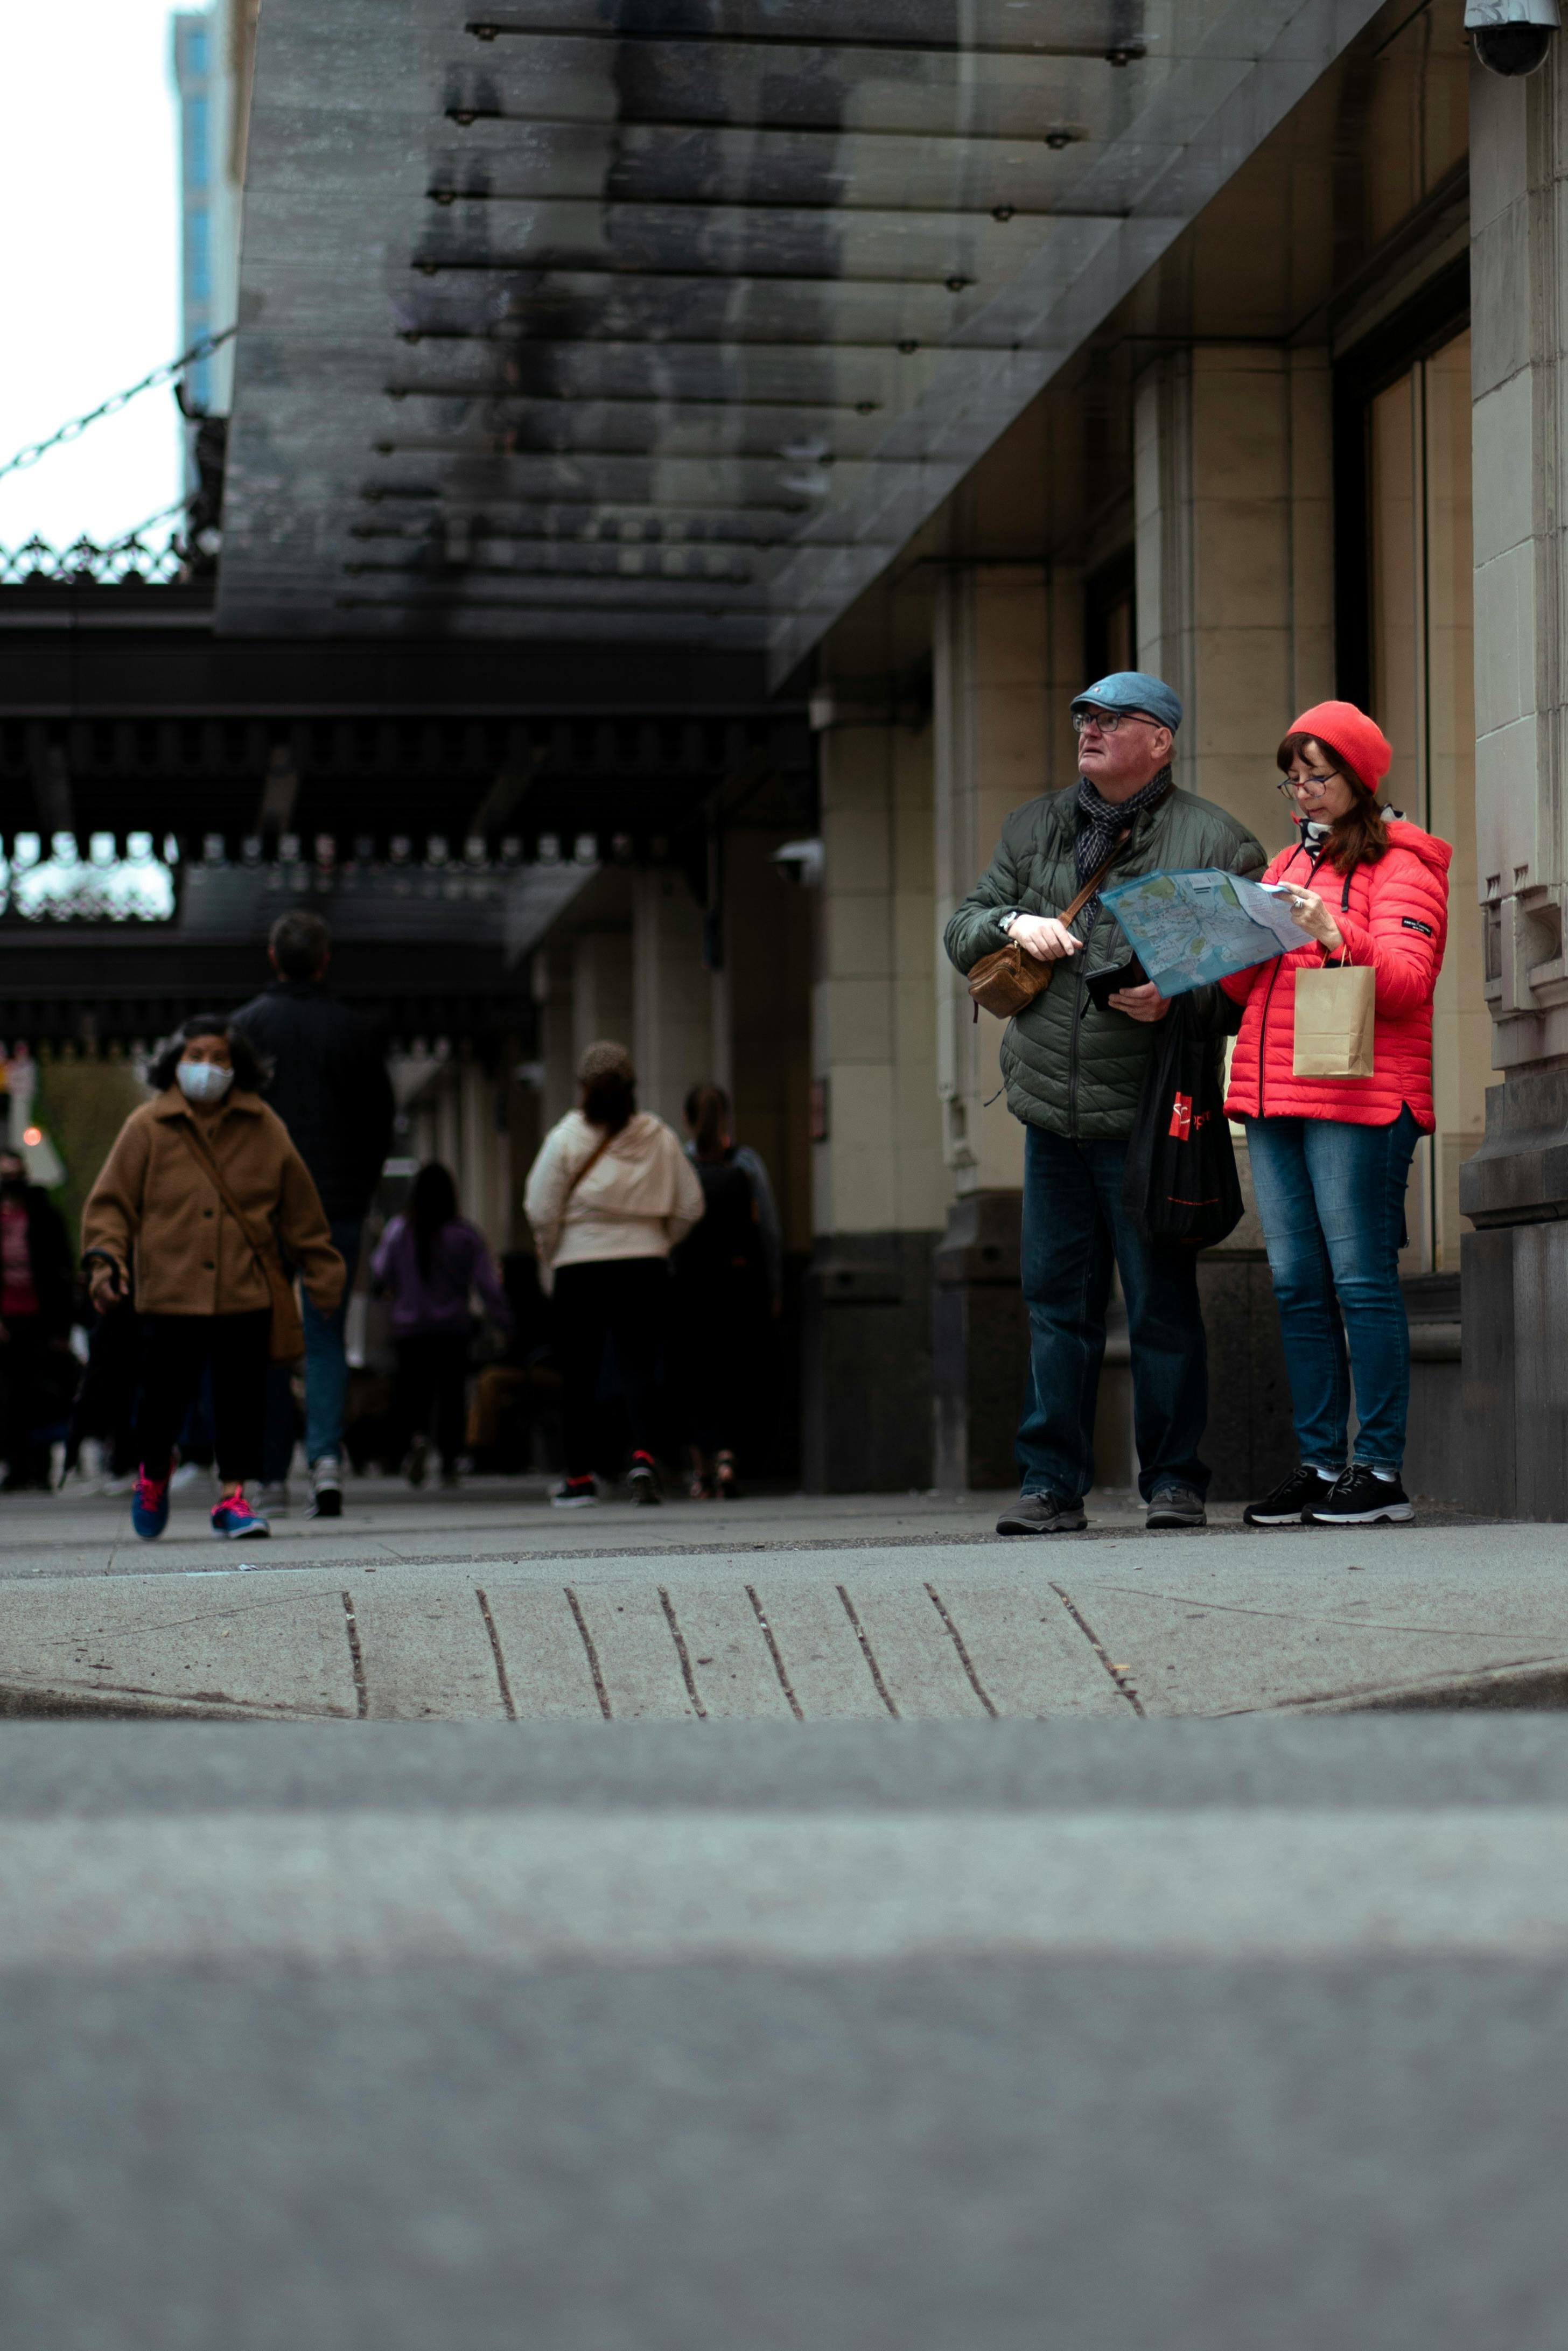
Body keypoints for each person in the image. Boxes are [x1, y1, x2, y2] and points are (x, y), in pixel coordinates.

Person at [943, 669, 1266, 1536]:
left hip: (1151, 1113)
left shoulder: (1219, 840)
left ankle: (1174, 1480)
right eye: (1084, 715)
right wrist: (1013, 925)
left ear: (1160, 740)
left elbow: (1251, 982)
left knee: (1160, 1301)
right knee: (1057, 1303)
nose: (1090, 728)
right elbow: (963, 923)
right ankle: (1050, 1483)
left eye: (1114, 718)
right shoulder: (1034, 826)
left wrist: (1178, 999)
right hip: (1052, 1106)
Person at [1221, 702, 1450, 1528]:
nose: (1305, 792)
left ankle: (1380, 1469)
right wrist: (1231, 944)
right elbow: (1252, 992)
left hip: (1360, 1102)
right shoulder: (1287, 860)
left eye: (1320, 775)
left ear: (1361, 778)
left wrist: (1333, 928)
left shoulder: (1407, 865)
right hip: (1276, 1094)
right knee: (1296, 1287)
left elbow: (1406, 982)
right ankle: (1320, 1464)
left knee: (1360, 1283)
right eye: (1294, 776)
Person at [80, 1016, 345, 1543]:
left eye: (220, 1057)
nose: (208, 1066)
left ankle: (234, 1498)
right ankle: (153, 1472)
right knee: (161, 1401)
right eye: (196, 1055)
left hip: (242, 1292)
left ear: (237, 1066)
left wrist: (321, 1269)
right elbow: (111, 1205)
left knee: (241, 1401)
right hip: (168, 1293)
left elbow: (300, 1208)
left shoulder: (264, 1126)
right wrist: (106, 1262)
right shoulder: (147, 1126)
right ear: (176, 1063)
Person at [232, 910, 395, 1520]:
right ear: (325, 962)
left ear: (274, 959)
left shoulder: (244, 1029)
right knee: (326, 1335)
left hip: (263, 1207)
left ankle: (271, 1474)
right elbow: (380, 1121)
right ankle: (326, 1460)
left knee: (271, 1338)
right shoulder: (354, 1031)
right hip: (335, 1205)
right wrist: (360, 1187)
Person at [524, 1040, 703, 1507]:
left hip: (579, 1267)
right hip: (644, 1266)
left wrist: (552, 1250)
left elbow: (540, 1206)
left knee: (579, 1376)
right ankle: (643, 1457)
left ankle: (580, 1478)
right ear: (631, 1088)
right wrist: (659, 1239)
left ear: (583, 1089)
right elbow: (691, 1204)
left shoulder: (565, 1138)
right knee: (639, 1368)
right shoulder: (658, 1137)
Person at [370, 1161, 513, 1490]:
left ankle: (415, 1443)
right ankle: (449, 1459)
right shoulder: (465, 1235)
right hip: (452, 1329)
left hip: (409, 1330)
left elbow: (381, 1273)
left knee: (412, 1394)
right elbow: (487, 1286)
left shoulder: (399, 1230)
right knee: (451, 1396)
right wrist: (504, 1321)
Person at [673, 1082, 775, 1499]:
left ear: (686, 1118)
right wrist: (774, 1286)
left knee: (695, 1375)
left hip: (690, 1288)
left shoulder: (678, 1164)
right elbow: (768, 1231)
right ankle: (729, 1458)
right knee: (735, 1370)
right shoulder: (748, 1164)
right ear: (728, 1117)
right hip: (739, 1286)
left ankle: (701, 1470)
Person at [0, 1144, 75, 1491]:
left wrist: (62, 1326)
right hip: (6, 1320)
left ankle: (40, 1469)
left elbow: (62, 1268)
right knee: (8, 1397)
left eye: (14, 1173)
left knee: (42, 1395)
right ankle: (16, 1468)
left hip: (40, 1320)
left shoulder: (45, 1215)